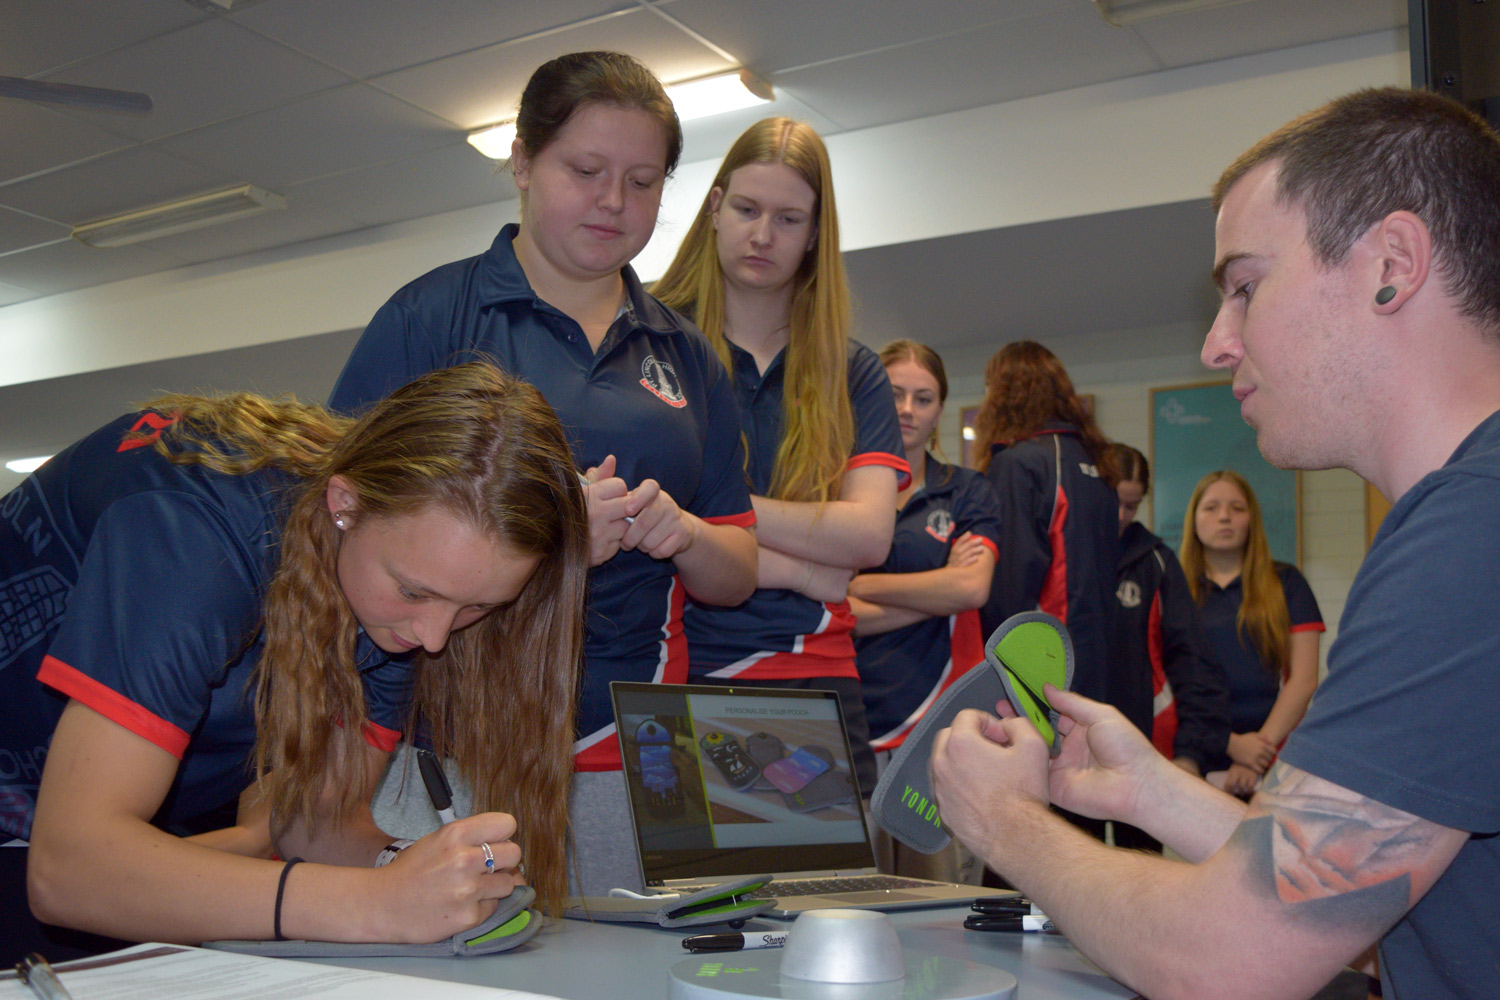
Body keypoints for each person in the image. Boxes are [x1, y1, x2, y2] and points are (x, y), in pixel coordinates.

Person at [930, 87, 1500, 1000]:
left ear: (1392, 265)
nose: (1217, 343)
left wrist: (1005, 823)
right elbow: (1344, 872)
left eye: (1245, 288)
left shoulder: (1468, 534)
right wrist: (1144, 790)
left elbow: (1229, 959)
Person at [327, 52, 758, 892]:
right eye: (585, 170)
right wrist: (560, 542)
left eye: (642, 182)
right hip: (448, 731)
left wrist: (687, 534)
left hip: (635, 742)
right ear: (522, 162)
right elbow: (334, 527)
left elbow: (736, 574)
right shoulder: (431, 315)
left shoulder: (689, 357)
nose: (614, 202)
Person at [0, 363, 588, 963]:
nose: (434, 638)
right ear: (344, 505)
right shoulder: (195, 536)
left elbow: (319, 826)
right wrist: (375, 903)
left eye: (479, 606)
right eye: (415, 592)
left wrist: (418, 871)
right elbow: (69, 872)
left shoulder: (391, 589)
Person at [653, 117, 907, 794]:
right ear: (713, 206)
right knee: (690, 900)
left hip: (816, 675)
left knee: (822, 900)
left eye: (789, 218)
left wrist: (710, 517)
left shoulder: (853, 370)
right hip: (677, 671)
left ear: (816, 234)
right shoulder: (648, 347)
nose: (763, 235)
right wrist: (799, 568)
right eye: (746, 209)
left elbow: (869, 534)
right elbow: (644, 520)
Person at [846, 340, 999, 879]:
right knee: (849, 906)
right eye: (893, 394)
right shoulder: (836, 491)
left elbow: (972, 590)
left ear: (939, 410)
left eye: (924, 397)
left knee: (938, 913)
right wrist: (938, 590)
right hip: (849, 718)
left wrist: (868, 586)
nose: (907, 409)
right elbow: (838, 611)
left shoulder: (967, 492)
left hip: (937, 723)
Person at [972, 340, 1118, 704]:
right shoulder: (1095, 463)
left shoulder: (1019, 463)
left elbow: (1010, 584)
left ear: (1006, 395)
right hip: (1093, 659)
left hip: (1040, 667)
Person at [1181, 469, 1322, 796]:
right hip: (1196, 751)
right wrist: (1228, 743)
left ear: (1252, 519)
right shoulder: (1173, 589)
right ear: (1194, 519)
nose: (1225, 517)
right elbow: (1167, 684)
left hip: (1274, 753)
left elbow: (1304, 680)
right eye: (1212, 507)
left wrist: (1257, 753)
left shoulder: (1287, 582)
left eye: (1237, 508)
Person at [1107, 443, 1228, 783]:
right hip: (1070, 746)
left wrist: (1190, 753)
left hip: (1145, 746)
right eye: (1113, 502)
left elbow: (1191, 659)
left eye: (1131, 506)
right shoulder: (1064, 556)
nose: (1120, 515)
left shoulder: (1157, 562)